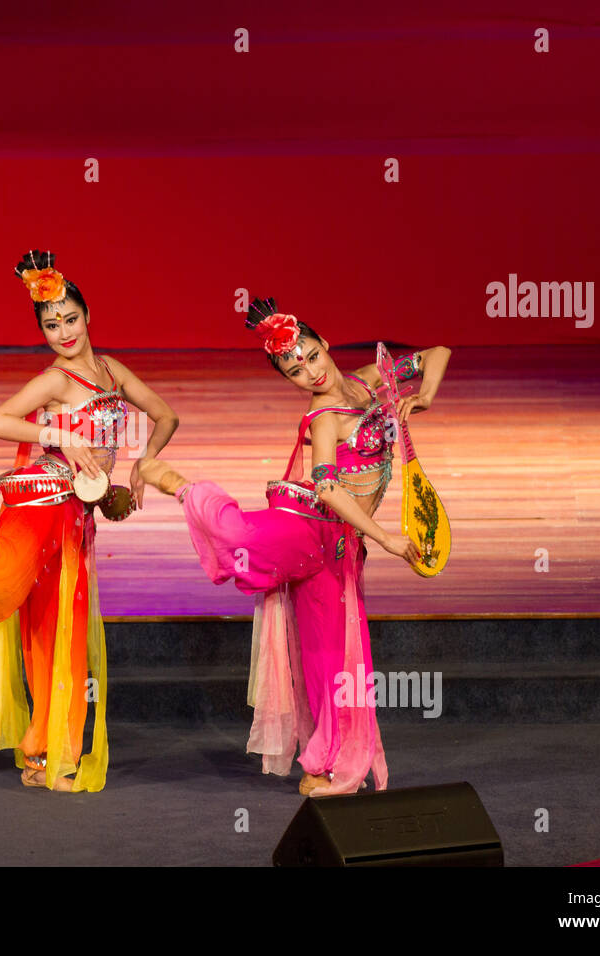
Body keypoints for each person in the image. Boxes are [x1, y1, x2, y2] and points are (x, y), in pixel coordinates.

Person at [136, 297, 450, 796]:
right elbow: (326, 486)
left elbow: (437, 351)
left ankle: (324, 761)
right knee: (238, 537)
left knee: (331, 657)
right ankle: (176, 484)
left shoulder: (371, 378)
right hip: (305, 529)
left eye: (310, 356)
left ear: (325, 344)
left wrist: (426, 395)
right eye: (294, 370)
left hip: (338, 548)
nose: (309, 372)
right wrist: (387, 538)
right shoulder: (325, 415)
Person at [0, 250, 179, 792]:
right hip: (36, 505)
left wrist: (143, 465)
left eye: (70, 319)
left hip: (75, 517)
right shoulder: (54, 380)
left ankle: (50, 753)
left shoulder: (112, 371)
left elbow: (166, 414)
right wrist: (64, 436)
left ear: (88, 318)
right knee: (1, 587)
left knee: (57, 639)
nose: (63, 332)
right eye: (51, 325)